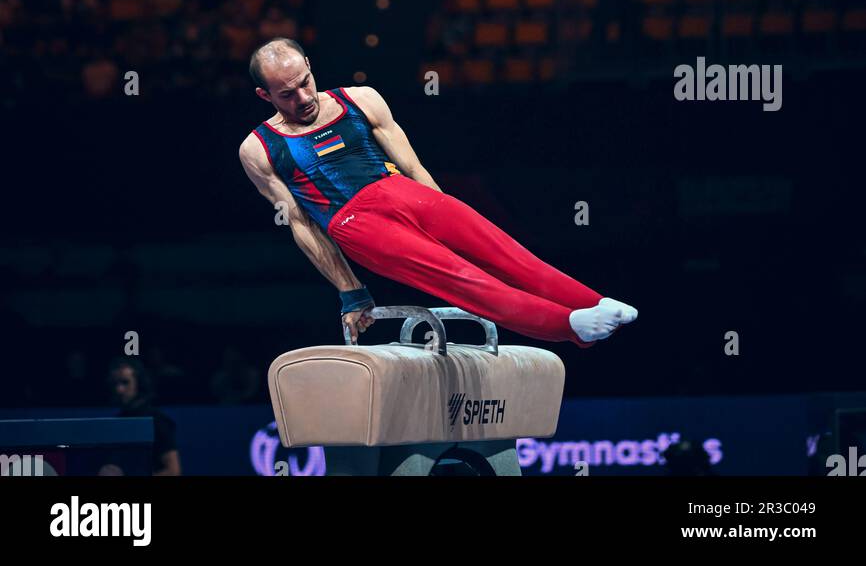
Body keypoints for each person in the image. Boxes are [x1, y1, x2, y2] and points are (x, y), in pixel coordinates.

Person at [239, 38, 638, 347]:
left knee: (504, 252)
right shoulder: (259, 148)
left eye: (304, 83)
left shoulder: (360, 99)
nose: (303, 98)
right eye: (286, 94)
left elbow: (413, 168)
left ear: (310, 66)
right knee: (461, 278)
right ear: (265, 96)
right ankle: (566, 326)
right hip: (355, 223)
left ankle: (589, 301)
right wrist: (351, 291)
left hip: (402, 190)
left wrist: (444, 214)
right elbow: (302, 225)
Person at [107, 356, 182, 476]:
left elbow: (173, 471)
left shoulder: (156, 420)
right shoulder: (118, 421)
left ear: (139, 383)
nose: (119, 389)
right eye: (115, 384)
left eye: (125, 382)